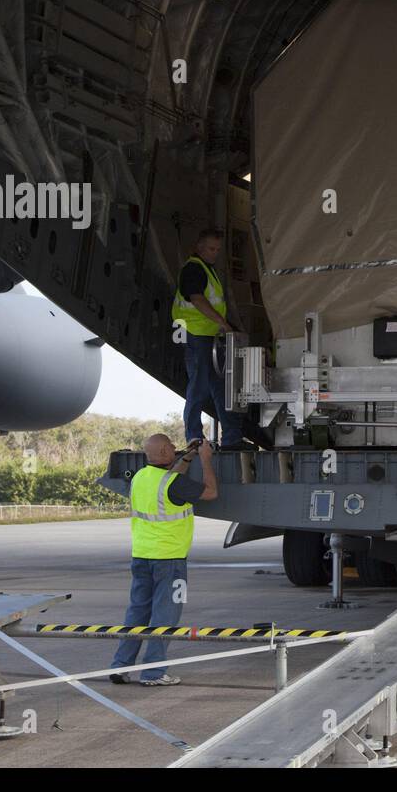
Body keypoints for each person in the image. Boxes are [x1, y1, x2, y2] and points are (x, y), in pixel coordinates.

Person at [109, 434, 218, 686]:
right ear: (164, 451)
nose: (174, 449)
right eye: (171, 447)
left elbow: (169, 479)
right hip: (170, 560)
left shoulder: (140, 477)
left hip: (142, 556)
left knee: (137, 613)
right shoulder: (173, 484)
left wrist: (188, 456)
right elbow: (211, 493)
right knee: (165, 617)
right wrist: (206, 459)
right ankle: (154, 673)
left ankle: (120, 666)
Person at [172, 228, 248, 450]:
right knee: (199, 386)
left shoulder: (208, 269)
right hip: (196, 335)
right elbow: (197, 299)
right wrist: (223, 323)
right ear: (199, 247)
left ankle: (232, 438)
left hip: (210, 335)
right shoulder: (193, 269)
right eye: (211, 248)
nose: (215, 253)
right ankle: (194, 437)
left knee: (222, 387)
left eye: (217, 249)